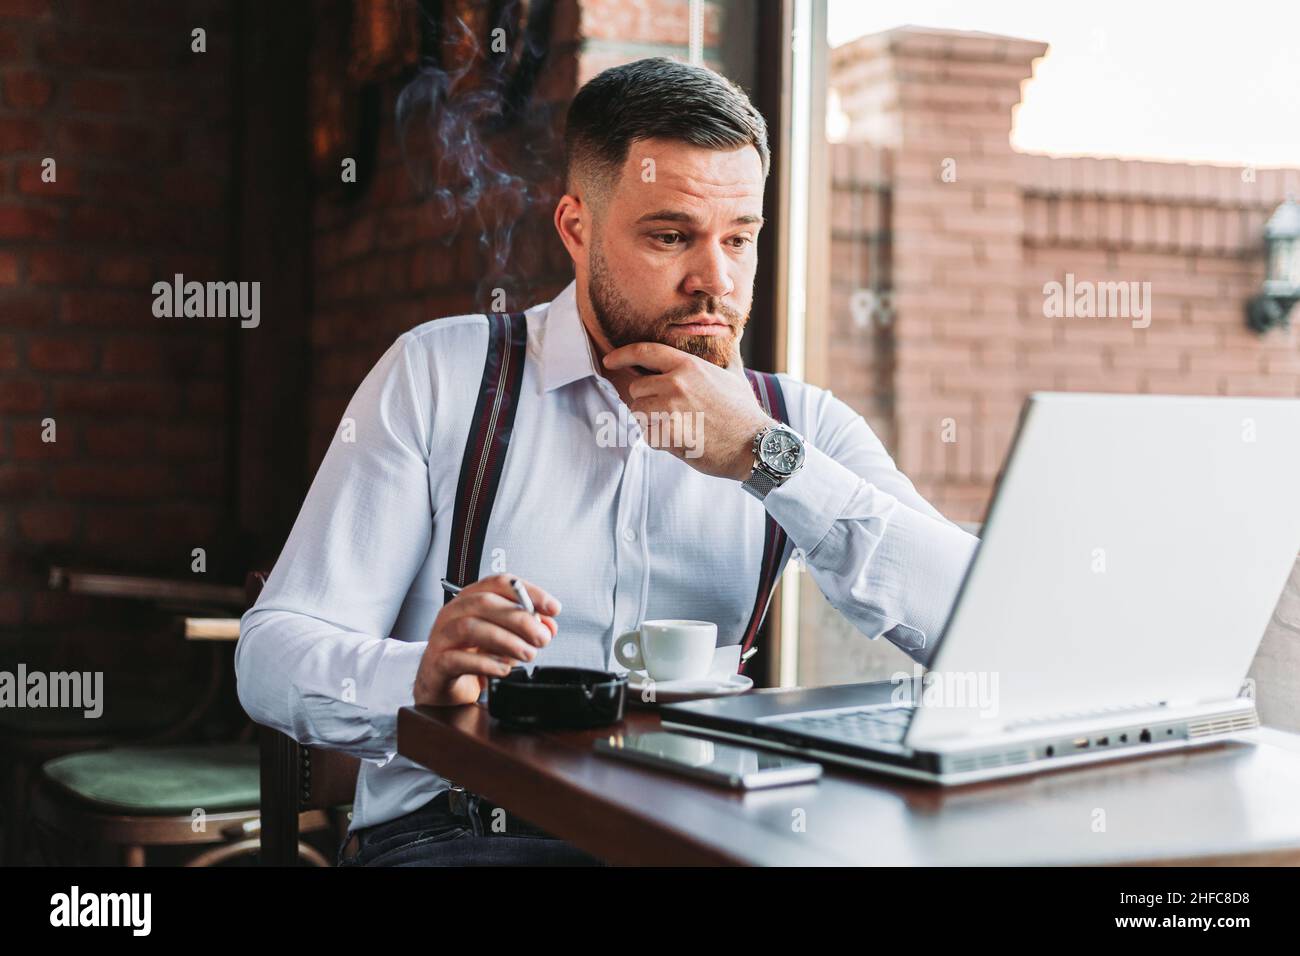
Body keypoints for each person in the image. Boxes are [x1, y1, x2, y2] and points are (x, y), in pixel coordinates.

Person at [235, 57, 978, 867]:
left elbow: (982, 628)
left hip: (694, 843)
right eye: (671, 236)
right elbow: (270, 653)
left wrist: (769, 460)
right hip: (461, 839)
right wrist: (418, 674)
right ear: (576, 228)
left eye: (740, 239)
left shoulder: (799, 425)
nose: (716, 281)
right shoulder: (439, 378)